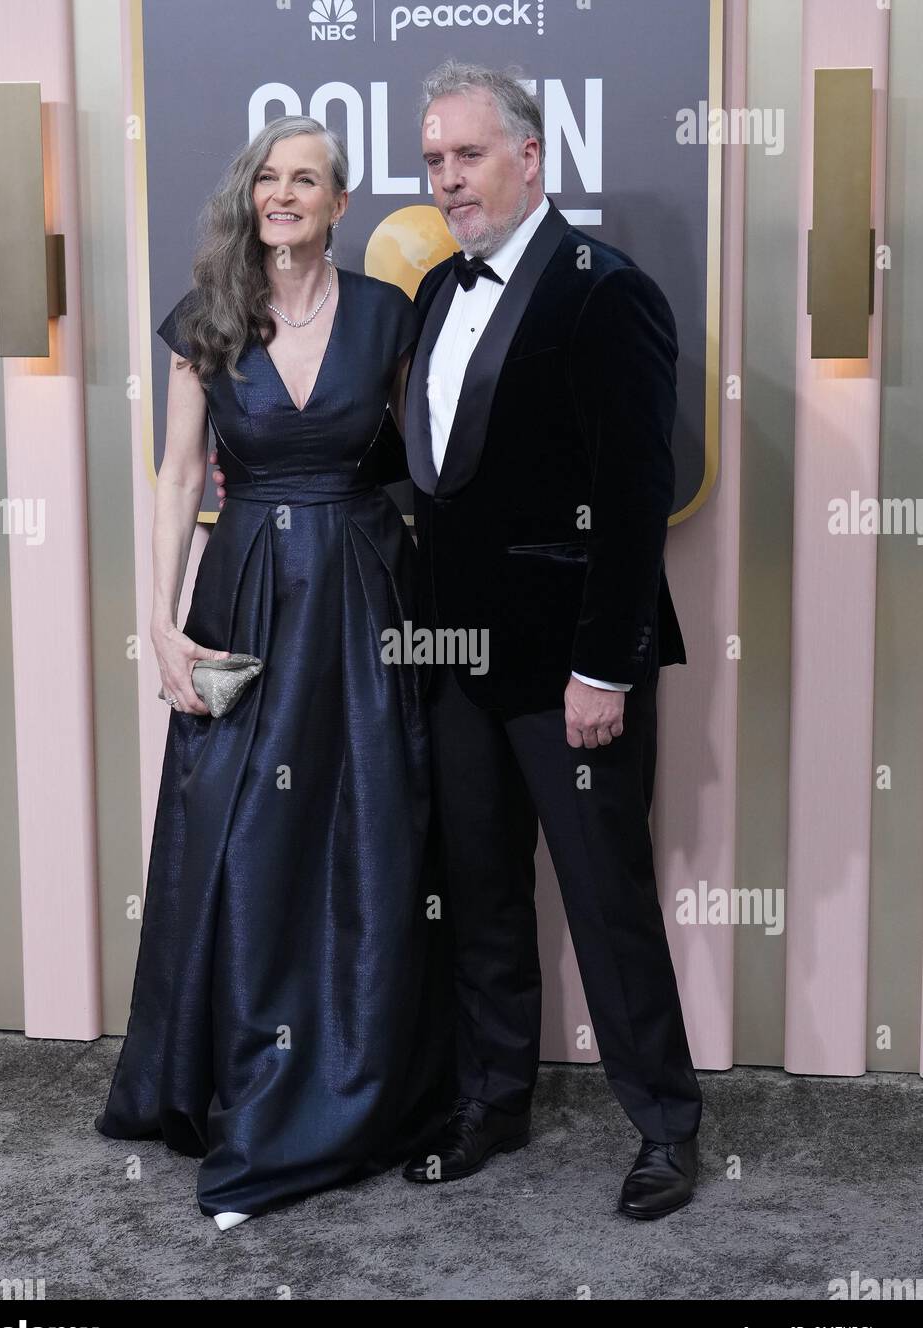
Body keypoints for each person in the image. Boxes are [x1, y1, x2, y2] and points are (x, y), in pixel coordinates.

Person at [213, 64, 703, 1221]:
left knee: (605, 896)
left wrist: (604, 665)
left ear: (530, 158)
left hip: (568, 664)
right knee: (478, 893)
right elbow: (422, 469)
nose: (447, 178)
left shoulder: (604, 291)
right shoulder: (430, 290)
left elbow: (635, 500)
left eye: (467, 156)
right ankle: (493, 1100)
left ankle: (667, 1127)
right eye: (433, 161)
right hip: (450, 657)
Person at [95, 115, 451, 1230]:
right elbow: (176, 474)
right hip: (242, 590)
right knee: (241, 839)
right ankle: (244, 1088)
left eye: (307, 181)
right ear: (250, 197)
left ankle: (352, 1094)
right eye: (269, 179)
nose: (283, 196)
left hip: (357, 598)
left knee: (364, 832)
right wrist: (156, 622)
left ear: (342, 205)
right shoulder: (207, 320)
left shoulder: (391, 315)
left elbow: (424, 472)